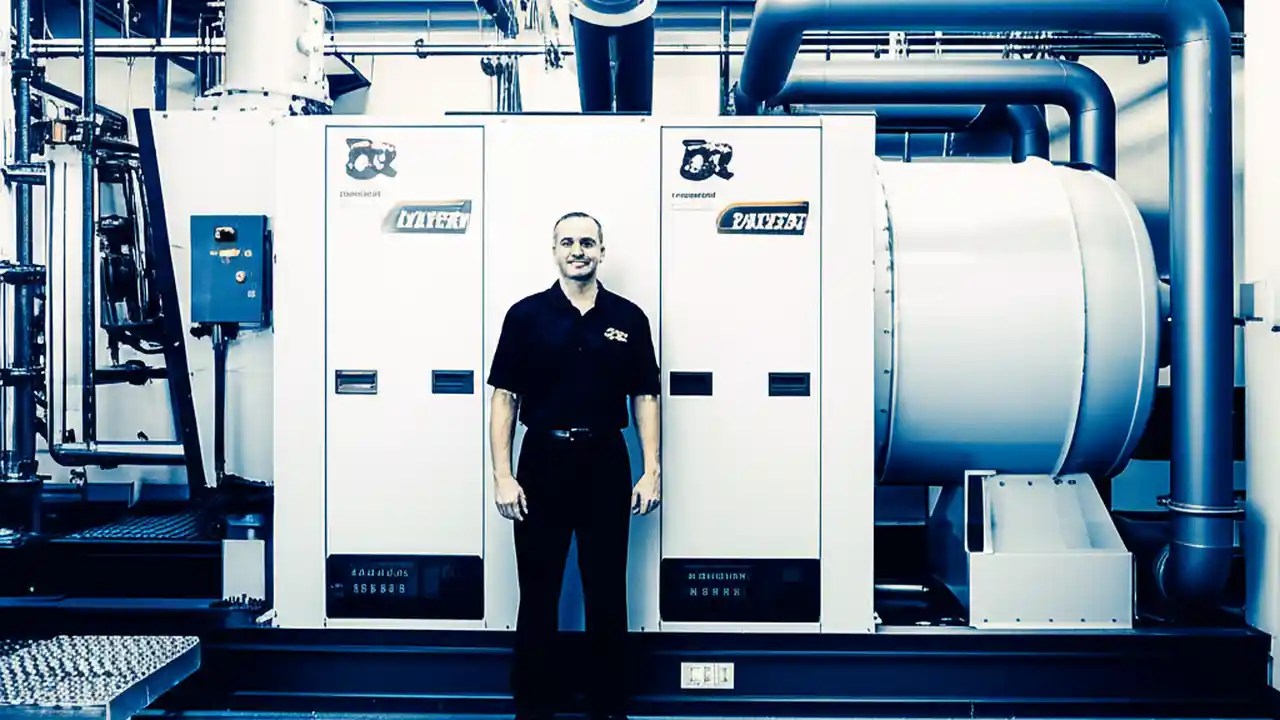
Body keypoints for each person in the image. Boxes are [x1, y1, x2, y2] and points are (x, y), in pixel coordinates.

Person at [487, 211, 662, 720]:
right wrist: (502, 474)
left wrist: (650, 468)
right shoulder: (526, 316)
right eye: (568, 242)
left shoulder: (629, 318)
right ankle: (534, 704)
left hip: (606, 460)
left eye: (587, 242)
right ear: (555, 251)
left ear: (602, 251)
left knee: (606, 588)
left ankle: (608, 705)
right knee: (537, 589)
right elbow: (505, 399)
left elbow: (645, 396)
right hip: (541, 461)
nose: (578, 250)